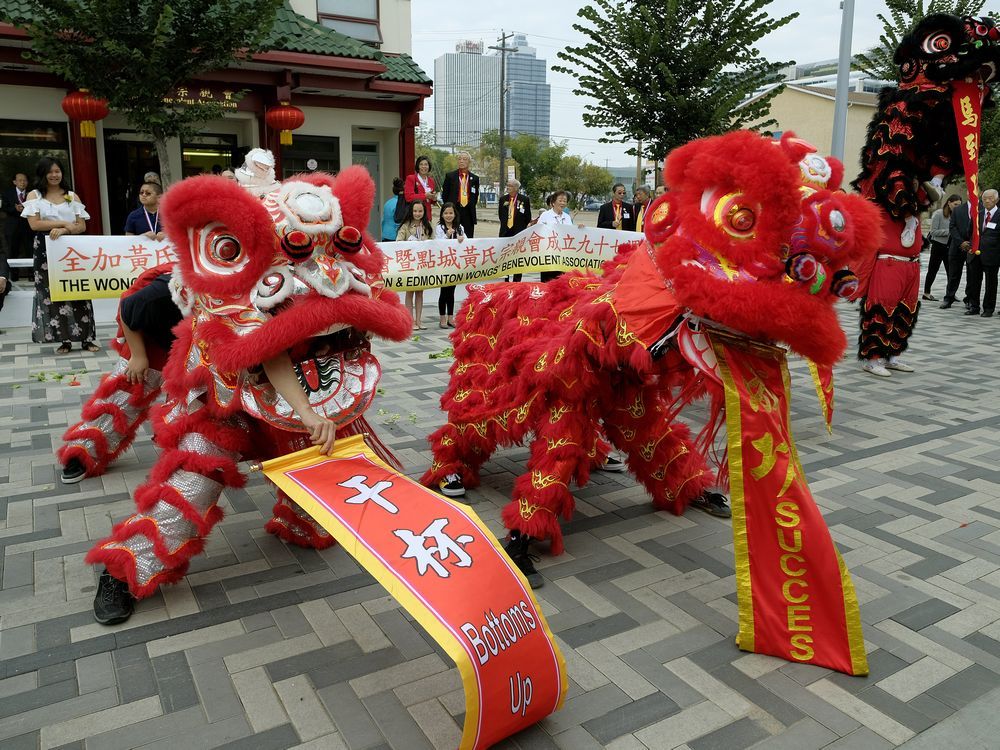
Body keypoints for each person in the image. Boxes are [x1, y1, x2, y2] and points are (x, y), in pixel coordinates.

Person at [58, 266, 180, 485]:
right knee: (127, 393)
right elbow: (129, 307)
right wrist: (138, 355)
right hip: (151, 337)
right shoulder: (172, 284)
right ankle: (84, 451)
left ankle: (193, 457)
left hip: (206, 344)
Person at [23, 156, 98, 354]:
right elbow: (34, 224)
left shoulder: (71, 196)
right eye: (50, 171)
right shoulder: (34, 196)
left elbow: (81, 225)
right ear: (43, 173)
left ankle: (87, 338)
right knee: (53, 293)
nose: (54, 175)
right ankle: (64, 339)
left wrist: (66, 231)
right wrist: (63, 223)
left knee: (79, 290)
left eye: (57, 171)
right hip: (45, 249)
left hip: (72, 248)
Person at [396, 200, 433, 329]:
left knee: (420, 292)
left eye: (420, 211)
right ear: (411, 212)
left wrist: (427, 242)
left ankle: (419, 320)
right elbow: (398, 241)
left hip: (423, 264)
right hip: (409, 264)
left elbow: (435, 243)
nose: (418, 213)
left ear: (424, 212)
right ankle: (410, 321)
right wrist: (410, 242)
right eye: (415, 211)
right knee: (410, 291)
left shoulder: (428, 226)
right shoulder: (406, 226)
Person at [964, 188, 1000, 317]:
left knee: (991, 283)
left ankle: (988, 308)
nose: (987, 201)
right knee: (974, 281)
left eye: (990, 198)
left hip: (992, 255)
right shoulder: (977, 214)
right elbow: (969, 232)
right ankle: (974, 307)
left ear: (996, 199)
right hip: (975, 254)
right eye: (984, 198)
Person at [924, 194, 961, 301]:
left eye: (959, 205)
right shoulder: (938, 214)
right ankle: (926, 293)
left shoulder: (957, 215)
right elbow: (933, 232)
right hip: (938, 246)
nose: (957, 207)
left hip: (951, 247)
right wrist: (950, 232)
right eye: (955, 204)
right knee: (932, 270)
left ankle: (951, 294)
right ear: (949, 203)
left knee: (951, 272)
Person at [435, 202, 465, 328]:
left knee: (452, 291)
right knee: (444, 291)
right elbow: (437, 242)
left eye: (451, 213)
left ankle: (450, 318)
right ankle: (442, 318)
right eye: (446, 213)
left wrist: (462, 239)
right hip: (444, 263)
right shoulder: (439, 228)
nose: (448, 215)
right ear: (442, 214)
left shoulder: (460, 227)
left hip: (455, 263)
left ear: (455, 214)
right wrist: (447, 235)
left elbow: (466, 241)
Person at [941, 196, 974, 309]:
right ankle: (949, 298)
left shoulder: (981, 208)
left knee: (972, 275)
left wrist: (970, 243)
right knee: (953, 274)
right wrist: (961, 242)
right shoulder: (958, 209)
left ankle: (969, 299)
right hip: (957, 246)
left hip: (973, 247)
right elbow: (952, 227)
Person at [441, 151, 480, 238]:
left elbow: (475, 195)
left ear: (469, 162)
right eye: (460, 159)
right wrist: (449, 208)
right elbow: (445, 195)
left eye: (464, 159)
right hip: (454, 209)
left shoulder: (475, 179)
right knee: (453, 235)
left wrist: (471, 205)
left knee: (468, 236)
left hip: (468, 211)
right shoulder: (450, 176)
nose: (461, 161)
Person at [499, 178, 531, 281]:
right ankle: (506, 279)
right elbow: (500, 215)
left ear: (516, 188)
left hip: (519, 232)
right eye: (507, 185)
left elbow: (527, 217)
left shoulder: (524, 200)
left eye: (510, 186)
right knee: (505, 257)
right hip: (505, 232)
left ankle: (517, 280)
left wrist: (520, 227)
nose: (508, 187)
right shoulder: (503, 199)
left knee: (518, 258)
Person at [2, 173, 32, 278]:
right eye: (20, 180)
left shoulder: (32, 193)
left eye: (25, 180)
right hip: (12, 226)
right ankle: (14, 275)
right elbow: (4, 208)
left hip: (28, 225)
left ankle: (32, 274)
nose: (22, 183)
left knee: (30, 250)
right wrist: (15, 209)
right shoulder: (7, 193)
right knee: (13, 250)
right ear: (14, 182)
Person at [404, 155, 438, 220]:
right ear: (418, 166)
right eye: (421, 164)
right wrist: (425, 196)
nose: (424, 166)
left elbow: (430, 201)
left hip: (427, 217)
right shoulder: (411, 178)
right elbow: (408, 197)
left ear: (429, 166)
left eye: (426, 164)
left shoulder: (431, 181)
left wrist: (434, 199)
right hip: (415, 217)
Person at [381, 177, 405, 242]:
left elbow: (383, 221)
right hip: (396, 236)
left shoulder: (387, 203)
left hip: (385, 234)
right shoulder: (402, 204)